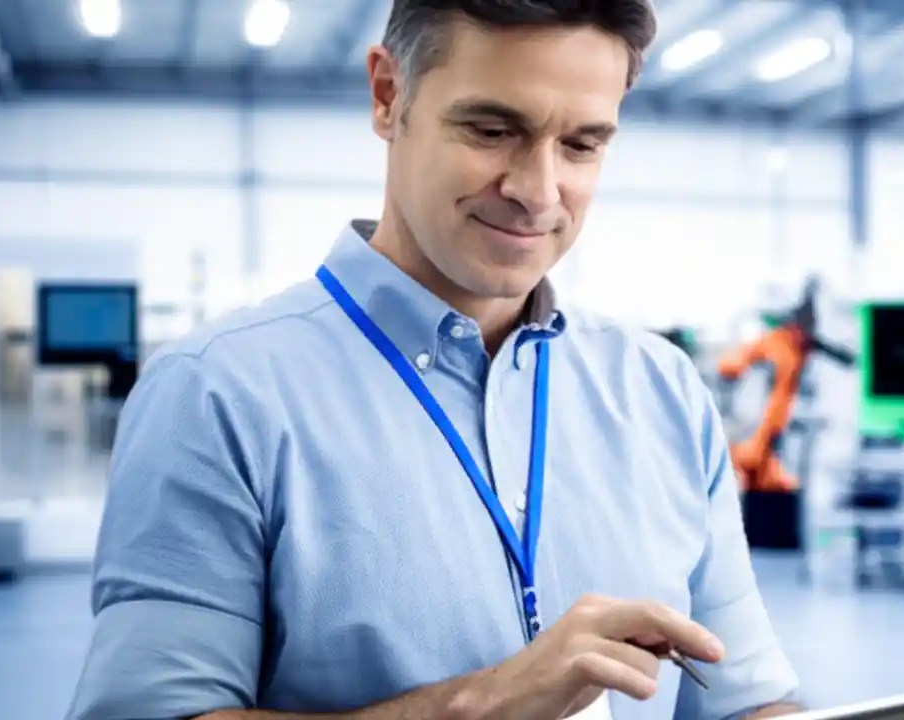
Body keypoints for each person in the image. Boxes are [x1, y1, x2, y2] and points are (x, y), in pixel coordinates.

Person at [67, 2, 803, 719]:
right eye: (491, 129)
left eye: (582, 145)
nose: (538, 192)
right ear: (390, 96)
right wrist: (479, 705)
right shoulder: (215, 395)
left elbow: (745, 698)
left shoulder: (663, 391)